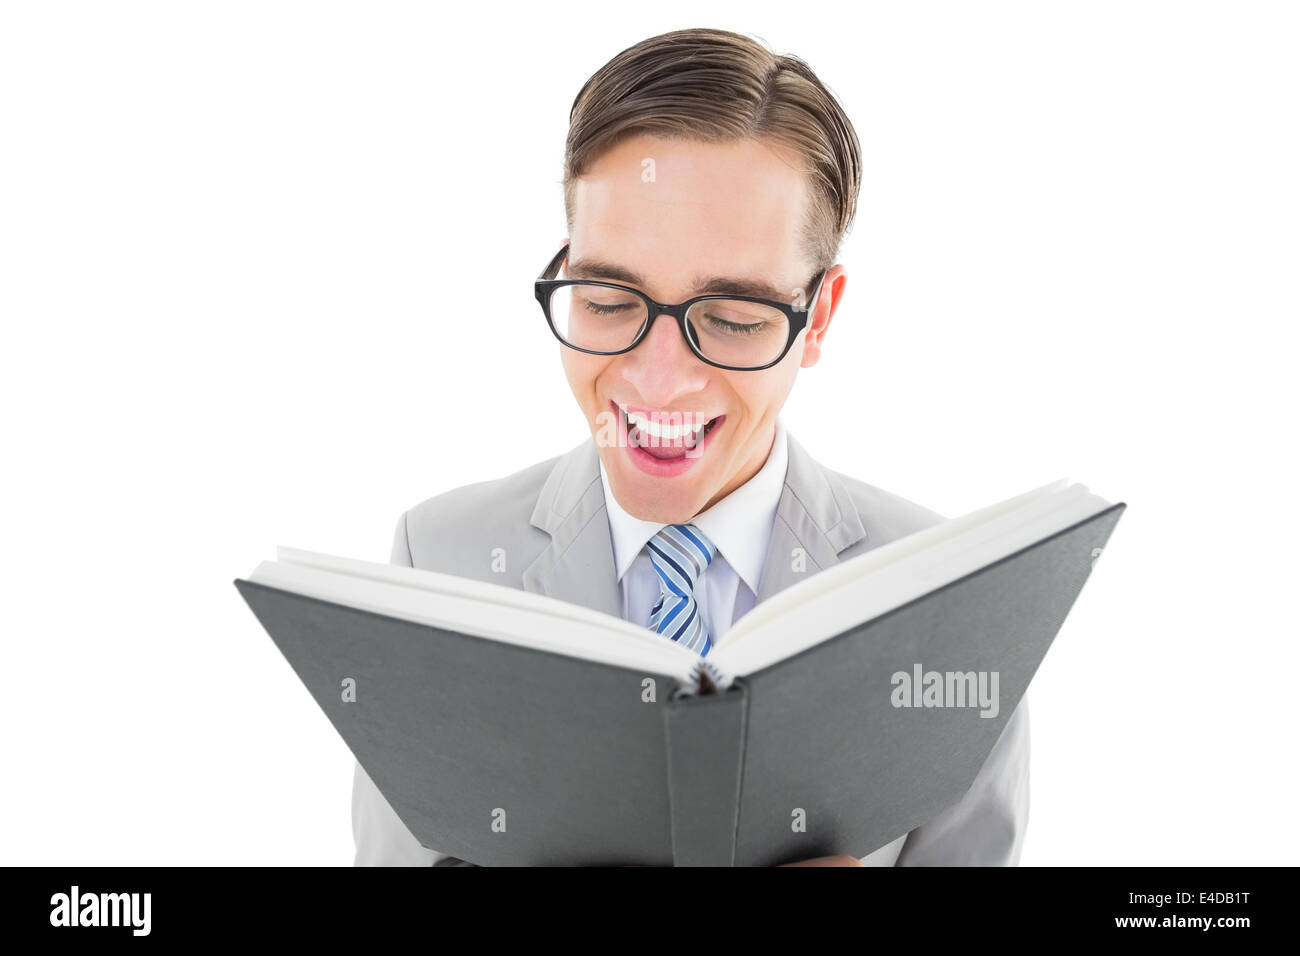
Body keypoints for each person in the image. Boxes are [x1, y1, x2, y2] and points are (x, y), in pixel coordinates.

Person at [352, 27, 1029, 867]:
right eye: (606, 300)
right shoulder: (438, 563)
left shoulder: (961, 601)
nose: (658, 380)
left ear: (817, 319)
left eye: (733, 319)